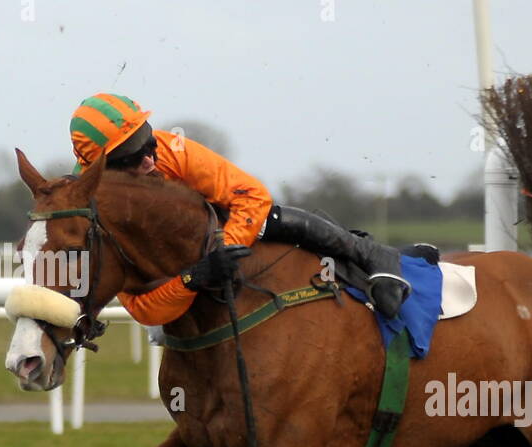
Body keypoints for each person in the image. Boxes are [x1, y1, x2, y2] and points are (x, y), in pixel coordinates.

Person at [67, 93, 409, 323]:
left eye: (148, 142)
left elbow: (252, 196)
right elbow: (143, 309)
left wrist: (224, 250)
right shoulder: (100, 210)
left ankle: (368, 253)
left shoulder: (173, 150)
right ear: (102, 173)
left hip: (215, 229)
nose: (148, 160)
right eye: (131, 158)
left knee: (265, 218)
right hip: (178, 278)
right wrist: (195, 277)